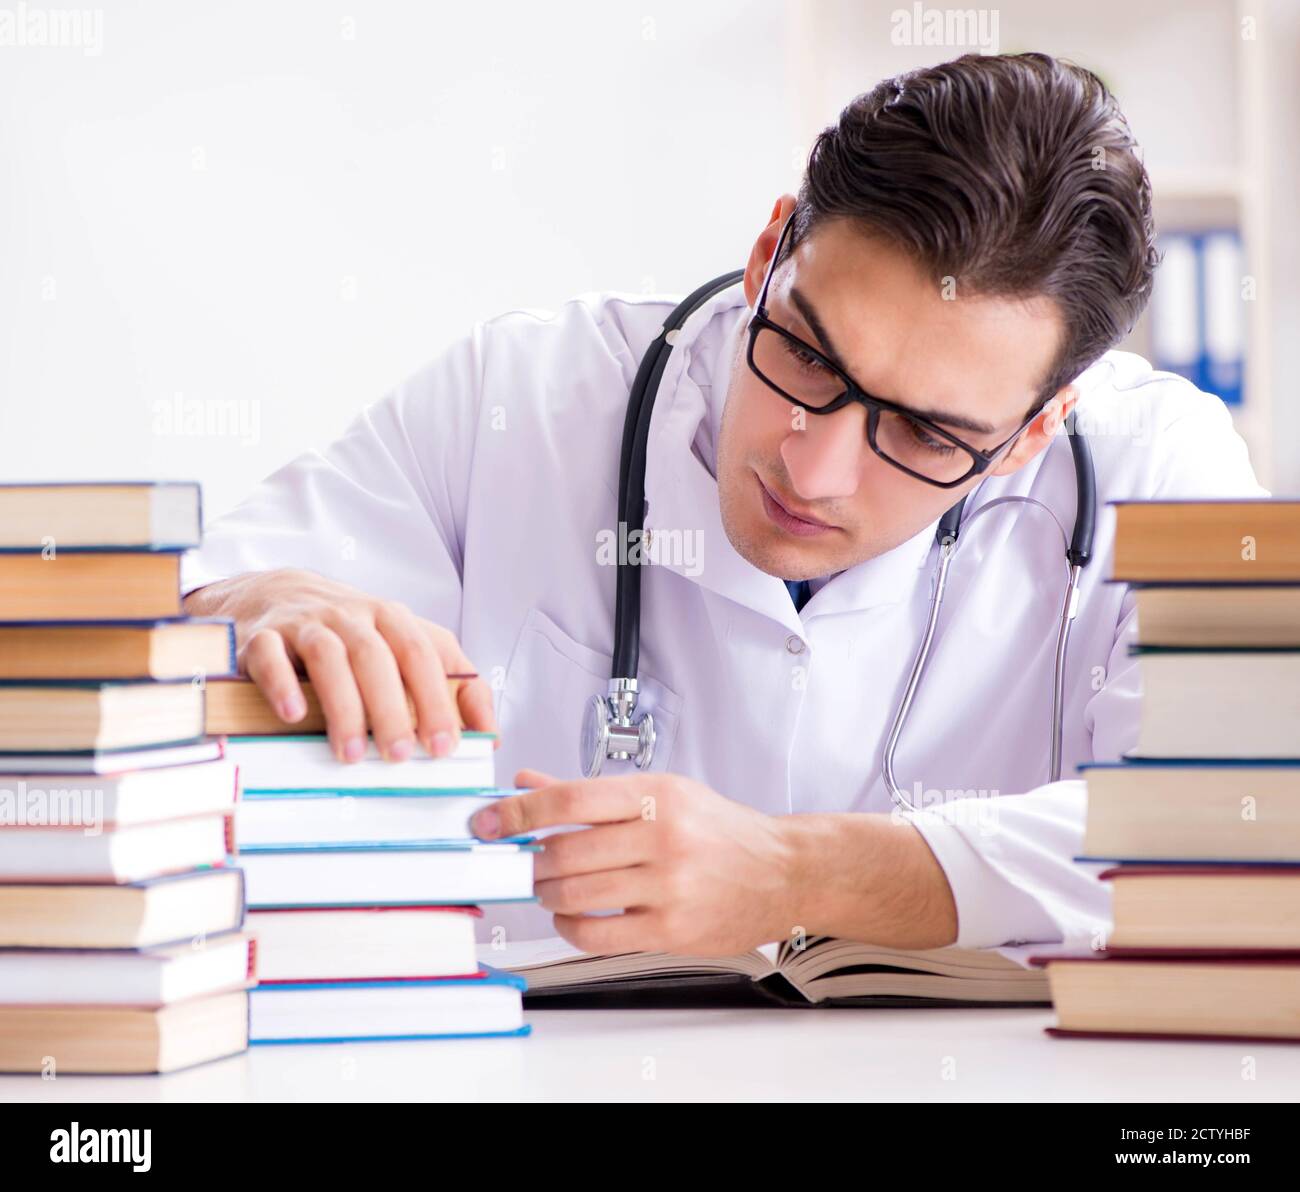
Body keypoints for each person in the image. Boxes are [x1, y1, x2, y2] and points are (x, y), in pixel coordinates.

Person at [184, 53, 1263, 956]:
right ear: (768, 251)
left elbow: (1236, 829)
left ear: (1032, 430)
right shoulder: (522, 395)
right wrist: (257, 597)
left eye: (926, 434)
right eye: (804, 352)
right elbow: (142, 623)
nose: (815, 467)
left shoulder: (1154, 462)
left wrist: (802, 873)